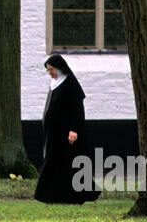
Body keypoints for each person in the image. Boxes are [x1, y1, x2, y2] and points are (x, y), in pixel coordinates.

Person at [34, 54, 100, 204]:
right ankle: (54, 195)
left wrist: (74, 130)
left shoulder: (70, 84)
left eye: (51, 69)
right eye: (48, 70)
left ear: (59, 68)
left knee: (65, 164)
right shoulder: (54, 83)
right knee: (56, 163)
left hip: (66, 133)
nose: (49, 73)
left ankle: (54, 195)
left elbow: (77, 109)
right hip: (54, 134)